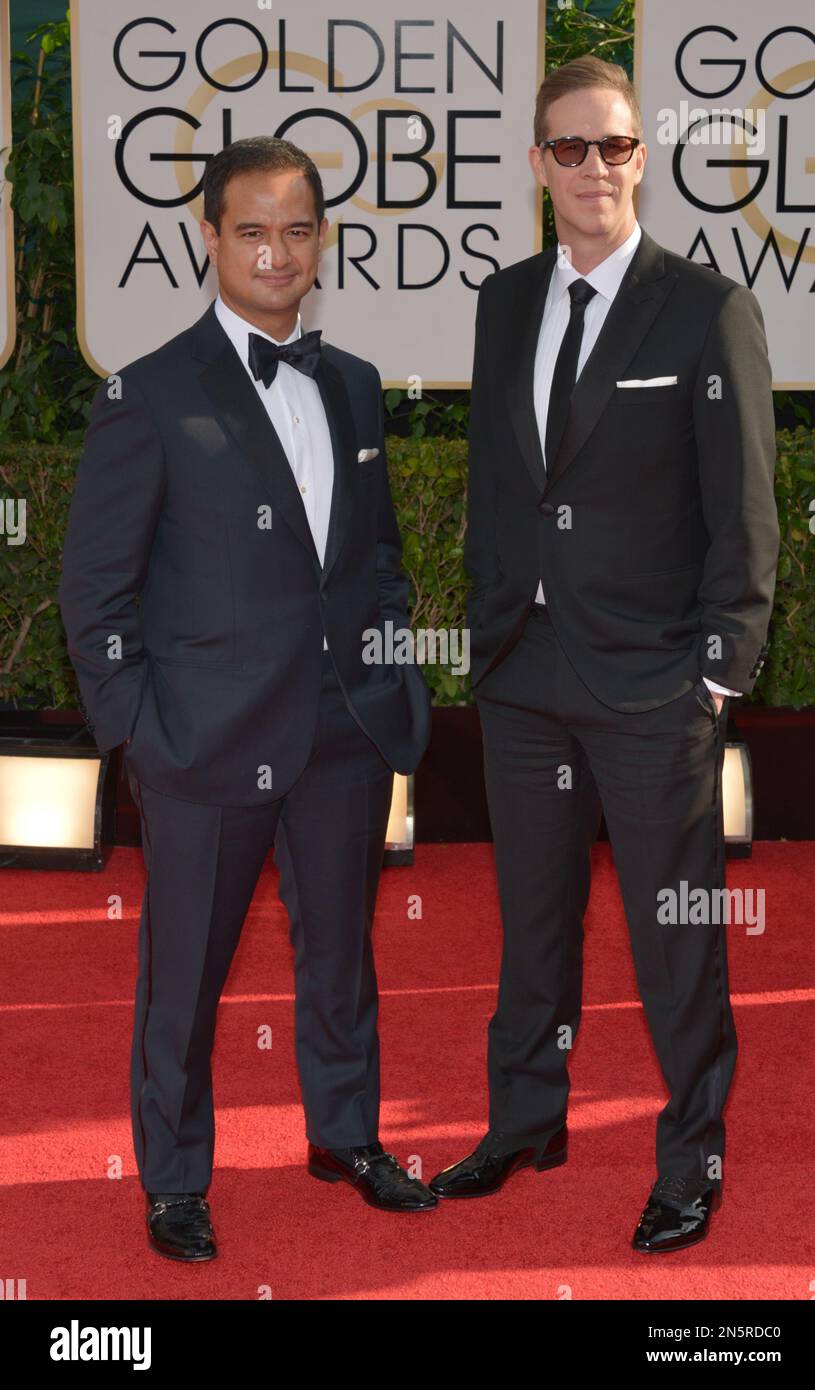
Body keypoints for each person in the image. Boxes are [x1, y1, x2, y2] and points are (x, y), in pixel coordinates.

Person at [59, 136, 437, 1262]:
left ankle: (347, 1136)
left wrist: (391, 673)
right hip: (204, 741)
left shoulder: (355, 385)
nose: (278, 250)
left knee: (340, 954)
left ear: (321, 240)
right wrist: (136, 729)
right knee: (185, 973)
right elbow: (95, 587)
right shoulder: (152, 394)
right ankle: (174, 1178)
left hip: (343, 730)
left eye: (299, 228)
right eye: (253, 228)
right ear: (210, 237)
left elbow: (375, 561)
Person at [429, 57, 779, 1253]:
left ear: (643, 157)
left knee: (673, 933)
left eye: (614, 147)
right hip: (525, 674)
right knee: (529, 924)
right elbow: (501, 475)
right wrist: (487, 619)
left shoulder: (703, 307)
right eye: (569, 149)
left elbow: (745, 503)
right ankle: (527, 1118)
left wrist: (723, 664)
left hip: (651, 684)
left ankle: (693, 1154)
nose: (593, 169)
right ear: (537, 164)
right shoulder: (504, 298)